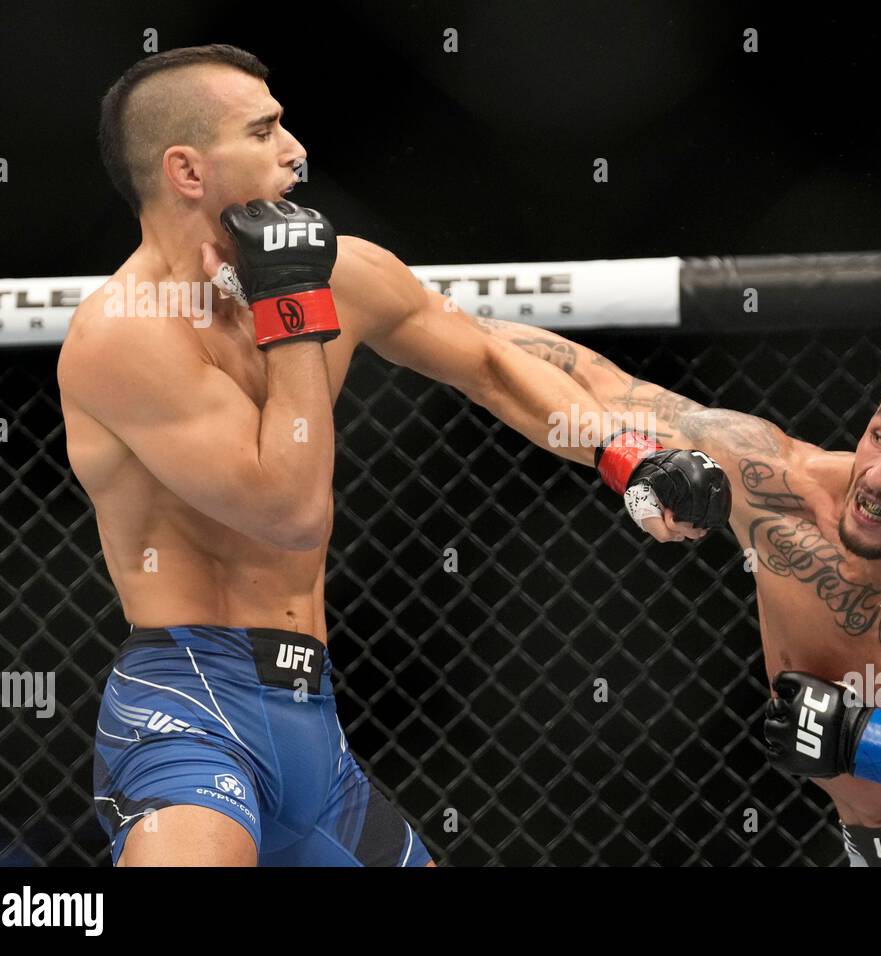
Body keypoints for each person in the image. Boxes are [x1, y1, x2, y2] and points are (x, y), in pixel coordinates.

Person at [60, 44, 728, 866]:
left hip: (313, 722)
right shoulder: (123, 335)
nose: (296, 151)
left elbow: (487, 364)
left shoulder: (339, 272)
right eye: (263, 130)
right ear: (187, 172)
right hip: (188, 714)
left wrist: (624, 456)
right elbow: (292, 509)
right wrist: (294, 307)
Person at [480, 319, 881, 867]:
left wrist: (866, 739)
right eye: (879, 435)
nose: (879, 474)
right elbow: (597, 386)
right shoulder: (774, 490)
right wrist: (627, 458)